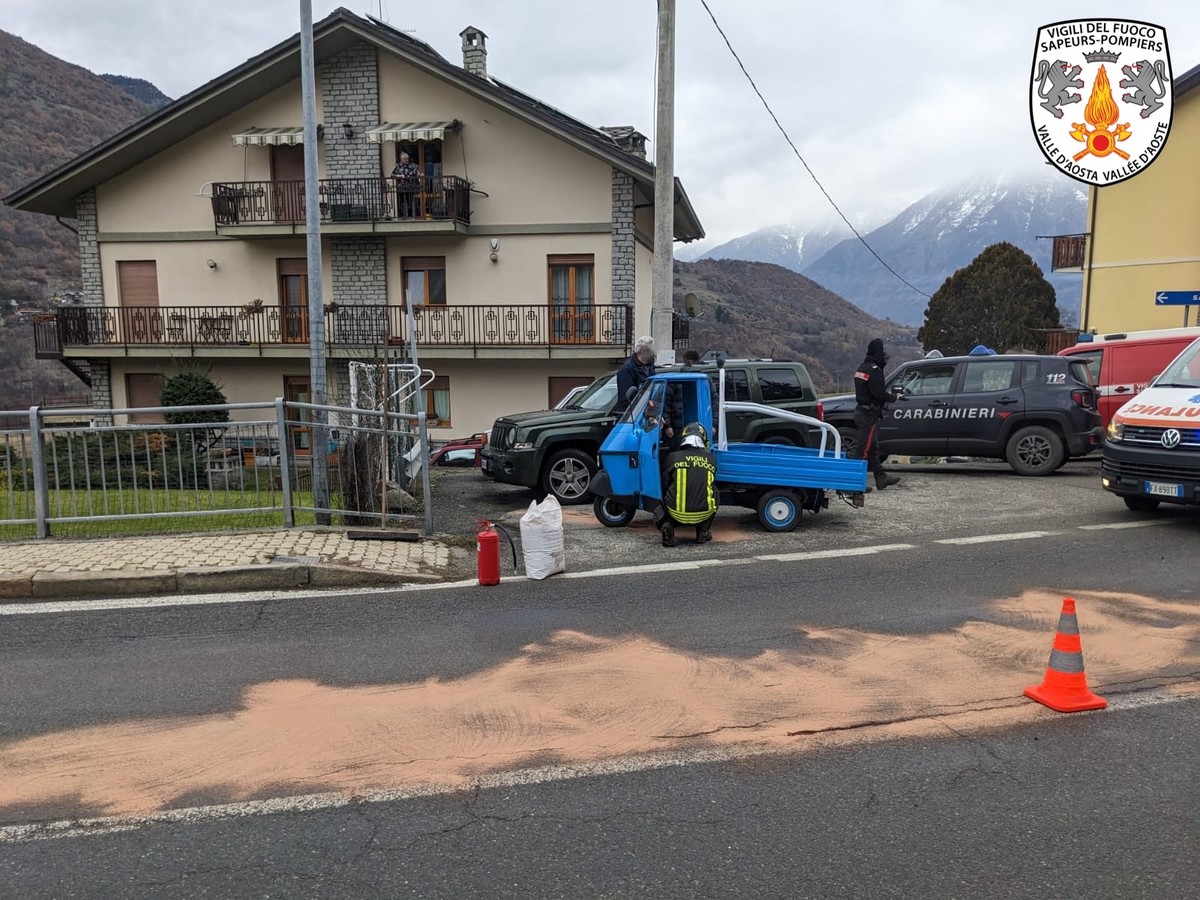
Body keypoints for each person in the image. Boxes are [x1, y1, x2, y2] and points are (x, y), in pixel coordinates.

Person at [657, 422, 719, 547]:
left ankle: (667, 528)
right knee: (715, 492)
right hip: (704, 514)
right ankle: (703, 532)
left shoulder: (672, 457)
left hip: (675, 512)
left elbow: (664, 483)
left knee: (661, 496)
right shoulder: (711, 458)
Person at [852, 337, 902, 491]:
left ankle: (881, 478)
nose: (884, 354)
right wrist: (894, 397)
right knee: (863, 450)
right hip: (868, 415)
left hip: (861, 411)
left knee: (873, 449)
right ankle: (854, 483)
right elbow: (879, 394)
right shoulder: (875, 370)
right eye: (882, 350)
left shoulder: (862, 367)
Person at [613, 335, 656, 416]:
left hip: (648, 414)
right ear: (642, 350)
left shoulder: (650, 367)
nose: (654, 353)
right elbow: (625, 400)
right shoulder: (627, 370)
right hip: (633, 417)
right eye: (651, 350)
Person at [391, 151, 420, 218]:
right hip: (401, 187)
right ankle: (402, 215)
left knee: (410, 201)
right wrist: (399, 176)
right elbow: (392, 175)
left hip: (410, 186)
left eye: (407, 158)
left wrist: (419, 175)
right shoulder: (398, 166)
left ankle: (410, 215)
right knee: (401, 201)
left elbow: (417, 173)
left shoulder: (411, 165)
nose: (407, 160)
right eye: (405, 159)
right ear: (401, 159)